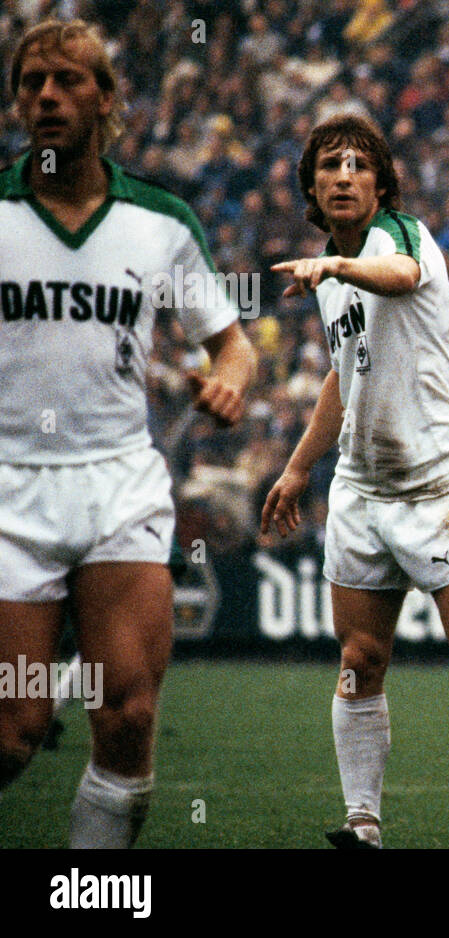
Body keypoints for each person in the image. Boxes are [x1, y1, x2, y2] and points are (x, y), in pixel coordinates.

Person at [261, 114, 449, 849]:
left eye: (359, 164)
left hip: (437, 486)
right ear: (312, 185)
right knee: (359, 660)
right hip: (360, 493)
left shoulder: (403, 237)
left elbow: (402, 278)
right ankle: (363, 822)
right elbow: (342, 375)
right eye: (329, 165)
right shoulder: (330, 275)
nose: (344, 175)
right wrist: (299, 469)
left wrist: (333, 268)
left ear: (381, 182)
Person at [0, 19, 257, 847]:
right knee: (16, 729)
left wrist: (231, 381)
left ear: (105, 98)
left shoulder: (160, 221)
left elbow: (231, 339)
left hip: (119, 487)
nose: (46, 96)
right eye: (32, 82)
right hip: (10, 491)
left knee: (127, 716)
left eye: (68, 80)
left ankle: (90, 900)